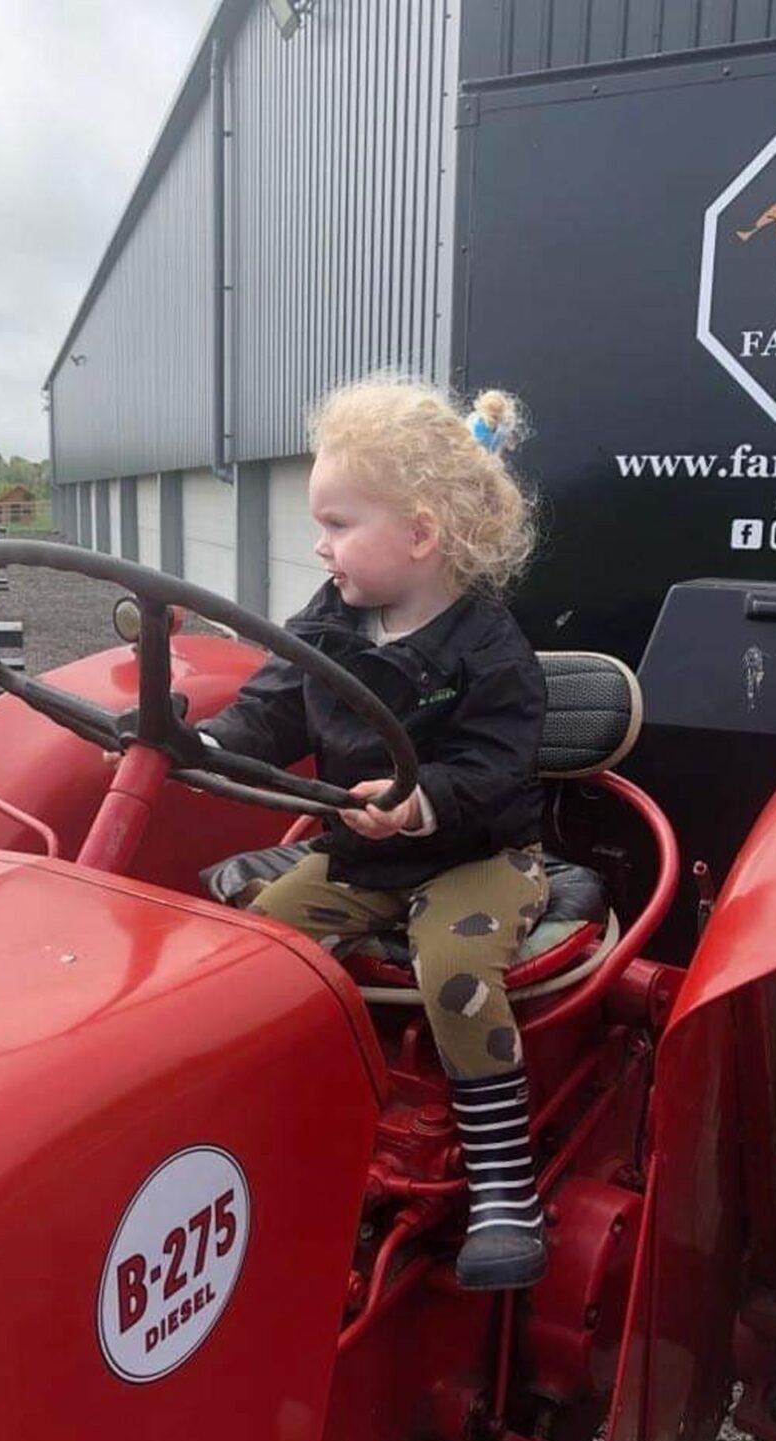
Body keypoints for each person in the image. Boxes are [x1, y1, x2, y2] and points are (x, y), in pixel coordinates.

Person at [199, 378, 549, 1290]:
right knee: (257, 947)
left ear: (422, 535)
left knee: (457, 970)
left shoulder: (490, 647)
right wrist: (202, 740)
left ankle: (506, 1188)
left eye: (339, 522)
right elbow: (273, 705)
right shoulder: (331, 617)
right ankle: (259, 1130)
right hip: (361, 856)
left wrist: (419, 799)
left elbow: (500, 766)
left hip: (477, 855)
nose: (320, 544)